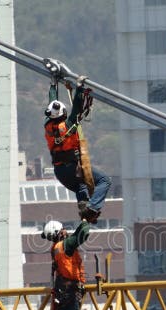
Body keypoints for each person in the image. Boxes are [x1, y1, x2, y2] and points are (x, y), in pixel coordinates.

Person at [44, 79, 111, 223]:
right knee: (104, 180)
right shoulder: (68, 126)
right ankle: (93, 208)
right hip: (73, 168)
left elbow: (52, 102)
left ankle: (85, 210)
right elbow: (76, 108)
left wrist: (53, 85)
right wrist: (79, 88)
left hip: (60, 173)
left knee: (81, 186)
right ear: (63, 113)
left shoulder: (48, 126)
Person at [40, 218, 90, 310]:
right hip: (71, 290)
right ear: (59, 232)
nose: (65, 231)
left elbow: (75, 236)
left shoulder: (56, 248)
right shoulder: (66, 245)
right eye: (63, 229)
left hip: (61, 290)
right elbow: (83, 234)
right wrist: (85, 221)